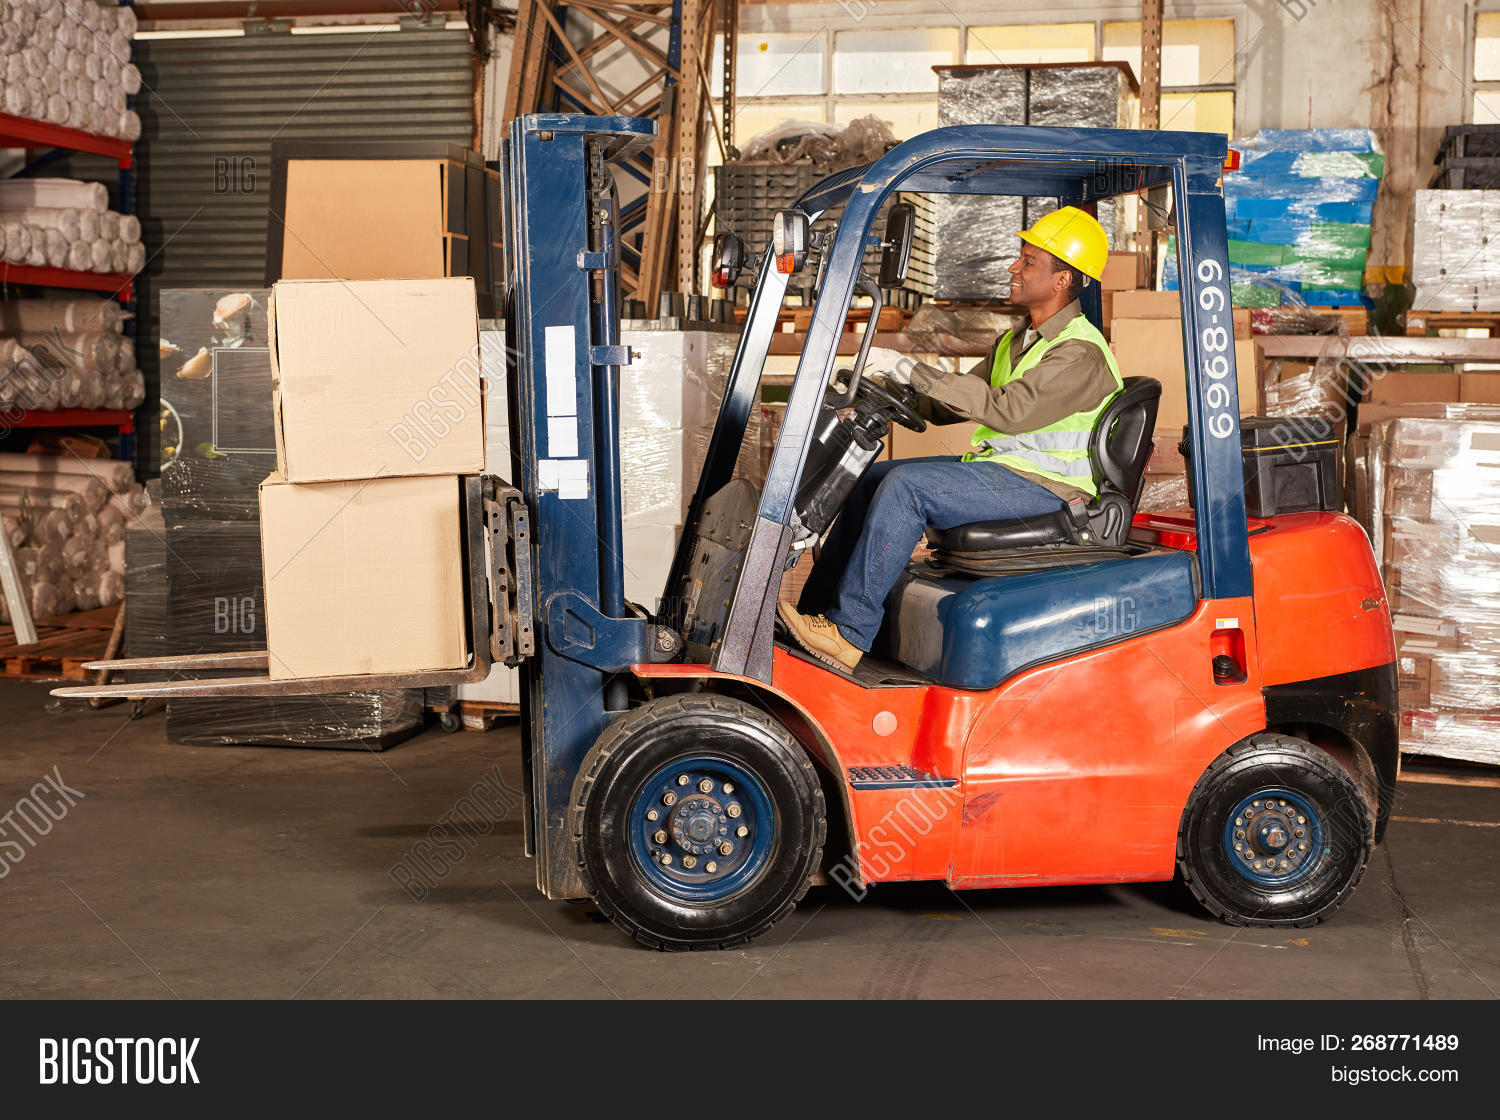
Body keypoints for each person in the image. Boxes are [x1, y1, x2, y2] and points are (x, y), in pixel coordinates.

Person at [777, 205, 1123, 673]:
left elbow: (1008, 410)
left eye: (1028, 262)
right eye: (1019, 257)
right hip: (1007, 472)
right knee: (871, 479)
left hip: (1050, 489)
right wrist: (890, 388)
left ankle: (849, 632)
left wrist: (912, 368)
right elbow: (949, 405)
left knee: (907, 489)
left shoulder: (1079, 352)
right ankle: (817, 615)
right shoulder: (1019, 341)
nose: (1013, 267)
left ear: (1063, 279)